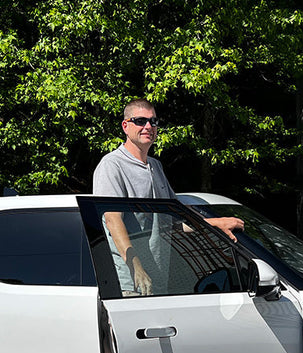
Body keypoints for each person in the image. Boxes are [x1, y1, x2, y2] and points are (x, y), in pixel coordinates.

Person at [92, 98, 243, 296]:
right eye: (140, 121)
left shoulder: (156, 166)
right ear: (125, 126)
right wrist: (136, 267)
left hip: (158, 282)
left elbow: (174, 220)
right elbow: (112, 220)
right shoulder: (112, 166)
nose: (148, 126)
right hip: (131, 285)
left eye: (153, 122)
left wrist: (215, 223)